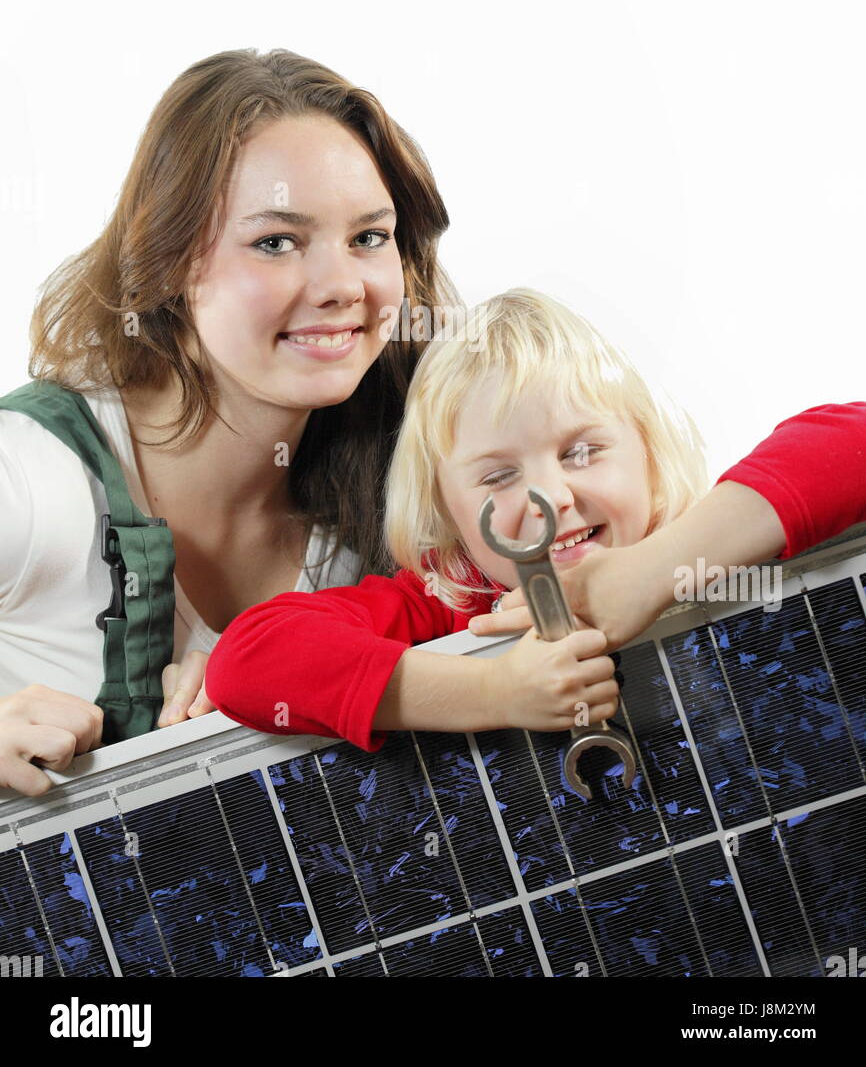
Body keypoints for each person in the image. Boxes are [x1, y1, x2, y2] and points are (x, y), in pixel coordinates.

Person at [0, 48, 458, 795]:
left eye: (370, 237)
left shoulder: (406, 492)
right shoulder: (29, 478)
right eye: (276, 242)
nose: (343, 286)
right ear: (172, 258)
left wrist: (277, 658)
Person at [205, 288, 866, 749]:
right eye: (498, 476)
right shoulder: (448, 610)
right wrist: (493, 688)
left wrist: (652, 573)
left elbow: (852, 441)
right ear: (450, 516)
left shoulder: (718, 551)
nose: (550, 498)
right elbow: (247, 662)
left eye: (582, 452)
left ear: (645, 451)